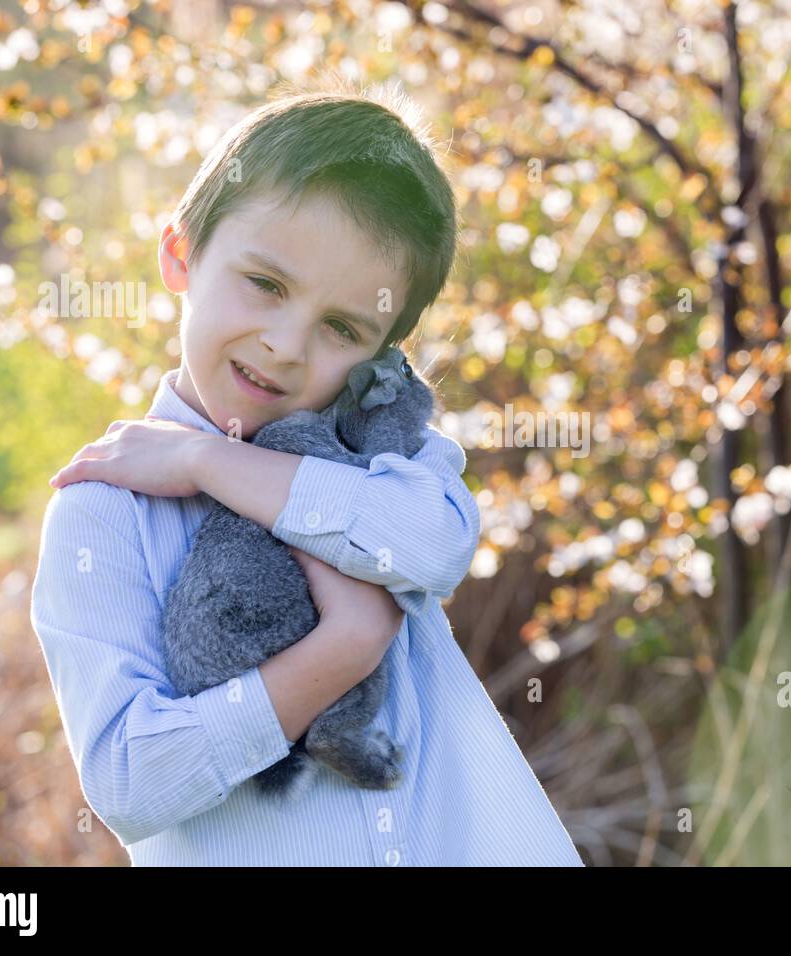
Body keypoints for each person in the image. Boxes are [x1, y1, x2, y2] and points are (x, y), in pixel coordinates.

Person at [29, 82, 584, 866]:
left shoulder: (383, 458)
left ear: (385, 352)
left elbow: (434, 544)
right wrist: (341, 653)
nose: (287, 346)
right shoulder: (104, 509)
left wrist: (206, 460)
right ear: (180, 253)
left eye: (341, 327)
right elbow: (129, 778)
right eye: (266, 284)